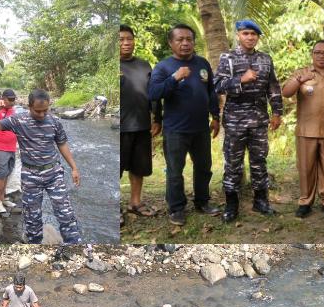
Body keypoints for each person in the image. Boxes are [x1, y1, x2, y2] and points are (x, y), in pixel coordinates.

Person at [147, 23, 222, 226]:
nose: (185, 43)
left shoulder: (203, 63)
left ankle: (202, 202)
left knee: (204, 168)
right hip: (175, 130)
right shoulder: (163, 67)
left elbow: (211, 92)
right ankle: (177, 208)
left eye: (189, 39)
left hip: (200, 128)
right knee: (174, 172)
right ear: (171, 43)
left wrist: (216, 117)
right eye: (180, 39)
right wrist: (175, 77)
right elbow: (153, 94)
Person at [0, 90, 82, 244]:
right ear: (29, 106)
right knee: (32, 216)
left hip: (54, 173)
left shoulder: (54, 122)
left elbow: (62, 144)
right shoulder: (18, 120)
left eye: (45, 110)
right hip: (30, 175)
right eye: (37, 111)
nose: (41, 114)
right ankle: (35, 244)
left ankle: (73, 245)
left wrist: (74, 168)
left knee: (65, 212)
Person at [214, 19, 284, 222]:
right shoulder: (227, 58)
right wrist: (240, 80)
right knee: (233, 164)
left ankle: (261, 201)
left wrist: (277, 112)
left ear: (257, 37)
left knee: (259, 161)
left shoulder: (265, 59)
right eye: (246, 34)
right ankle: (231, 205)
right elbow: (217, 86)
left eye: (254, 34)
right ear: (238, 35)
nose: (250, 37)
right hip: (235, 121)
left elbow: (273, 87)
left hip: (259, 120)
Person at [281, 40, 324, 218]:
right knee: (306, 168)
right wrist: (298, 80)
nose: (321, 56)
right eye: (317, 52)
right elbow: (286, 92)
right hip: (306, 131)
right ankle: (305, 201)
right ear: (312, 55)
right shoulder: (301, 73)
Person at [118, 24, 162, 224]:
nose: (126, 43)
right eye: (121, 39)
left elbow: (154, 95)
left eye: (129, 38)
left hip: (142, 125)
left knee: (138, 167)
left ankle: (135, 203)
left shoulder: (144, 65)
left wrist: (157, 118)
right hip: (118, 128)